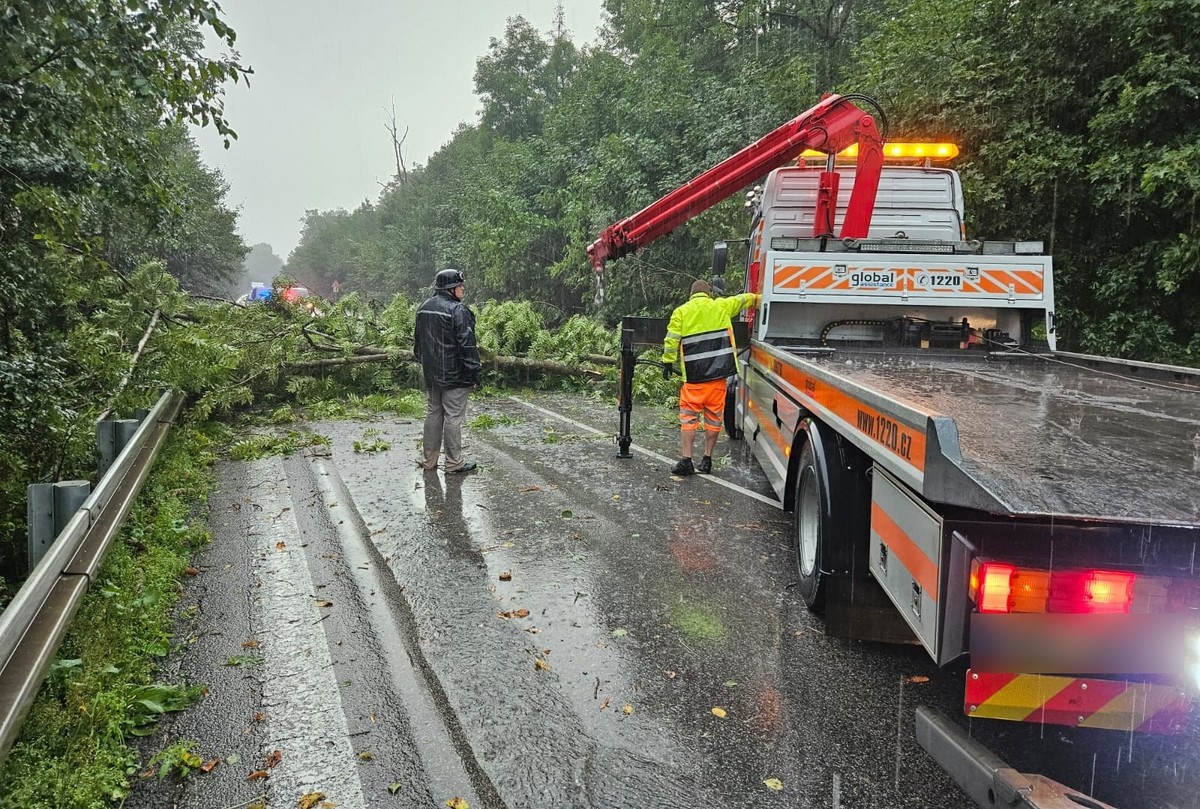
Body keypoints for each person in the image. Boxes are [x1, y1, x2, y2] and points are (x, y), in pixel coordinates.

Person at [661, 279, 759, 476]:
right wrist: (760, 298)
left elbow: (671, 340)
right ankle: (707, 459)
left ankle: (687, 460)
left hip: (694, 379)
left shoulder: (681, 312)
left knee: (689, 420)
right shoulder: (720, 306)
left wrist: (667, 361)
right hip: (717, 378)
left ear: (691, 295)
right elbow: (742, 300)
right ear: (709, 294)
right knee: (714, 420)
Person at [414, 268, 482, 474]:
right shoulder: (457, 310)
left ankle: (429, 460)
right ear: (451, 289)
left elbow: (418, 343)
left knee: (433, 413)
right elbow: (467, 345)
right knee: (453, 417)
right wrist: (475, 373)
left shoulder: (423, 308)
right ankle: (454, 463)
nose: (463, 289)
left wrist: (425, 364)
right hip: (455, 375)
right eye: (460, 286)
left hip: (432, 373)